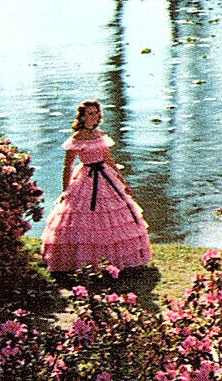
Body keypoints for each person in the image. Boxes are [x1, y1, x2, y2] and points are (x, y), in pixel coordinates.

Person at [40, 100, 153, 274]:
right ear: (82, 117)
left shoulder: (100, 134)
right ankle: (85, 262)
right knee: (85, 221)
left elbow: (109, 160)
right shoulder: (76, 138)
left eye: (96, 113)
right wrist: (66, 189)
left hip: (106, 177)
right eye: (90, 113)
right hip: (86, 178)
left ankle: (118, 260)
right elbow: (67, 166)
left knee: (115, 218)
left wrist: (123, 182)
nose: (94, 116)